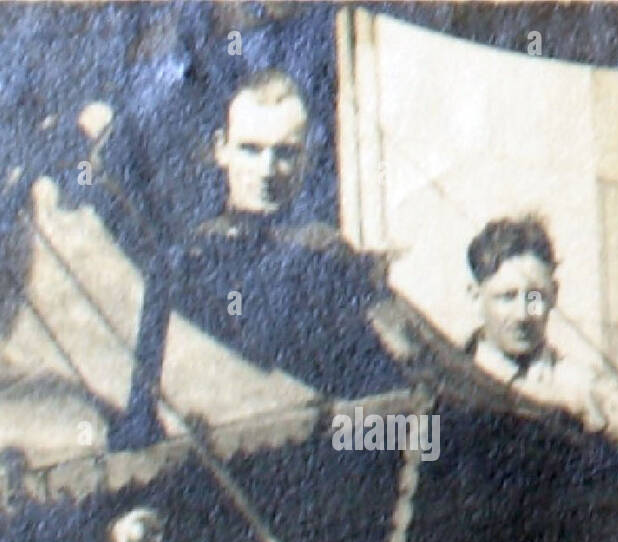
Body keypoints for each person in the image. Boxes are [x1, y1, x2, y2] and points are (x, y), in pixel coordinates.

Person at [112, 69, 405, 453]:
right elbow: (140, 417)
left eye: (285, 153)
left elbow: (380, 393)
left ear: (307, 156)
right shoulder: (180, 265)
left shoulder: (328, 256)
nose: (267, 171)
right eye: (250, 149)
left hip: (312, 458)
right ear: (222, 149)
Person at [462, 215, 618, 464]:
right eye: (507, 297)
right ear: (475, 297)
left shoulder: (580, 383)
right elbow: (429, 453)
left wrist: (588, 410)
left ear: (554, 295)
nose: (523, 315)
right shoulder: (449, 375)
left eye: (535, 297)